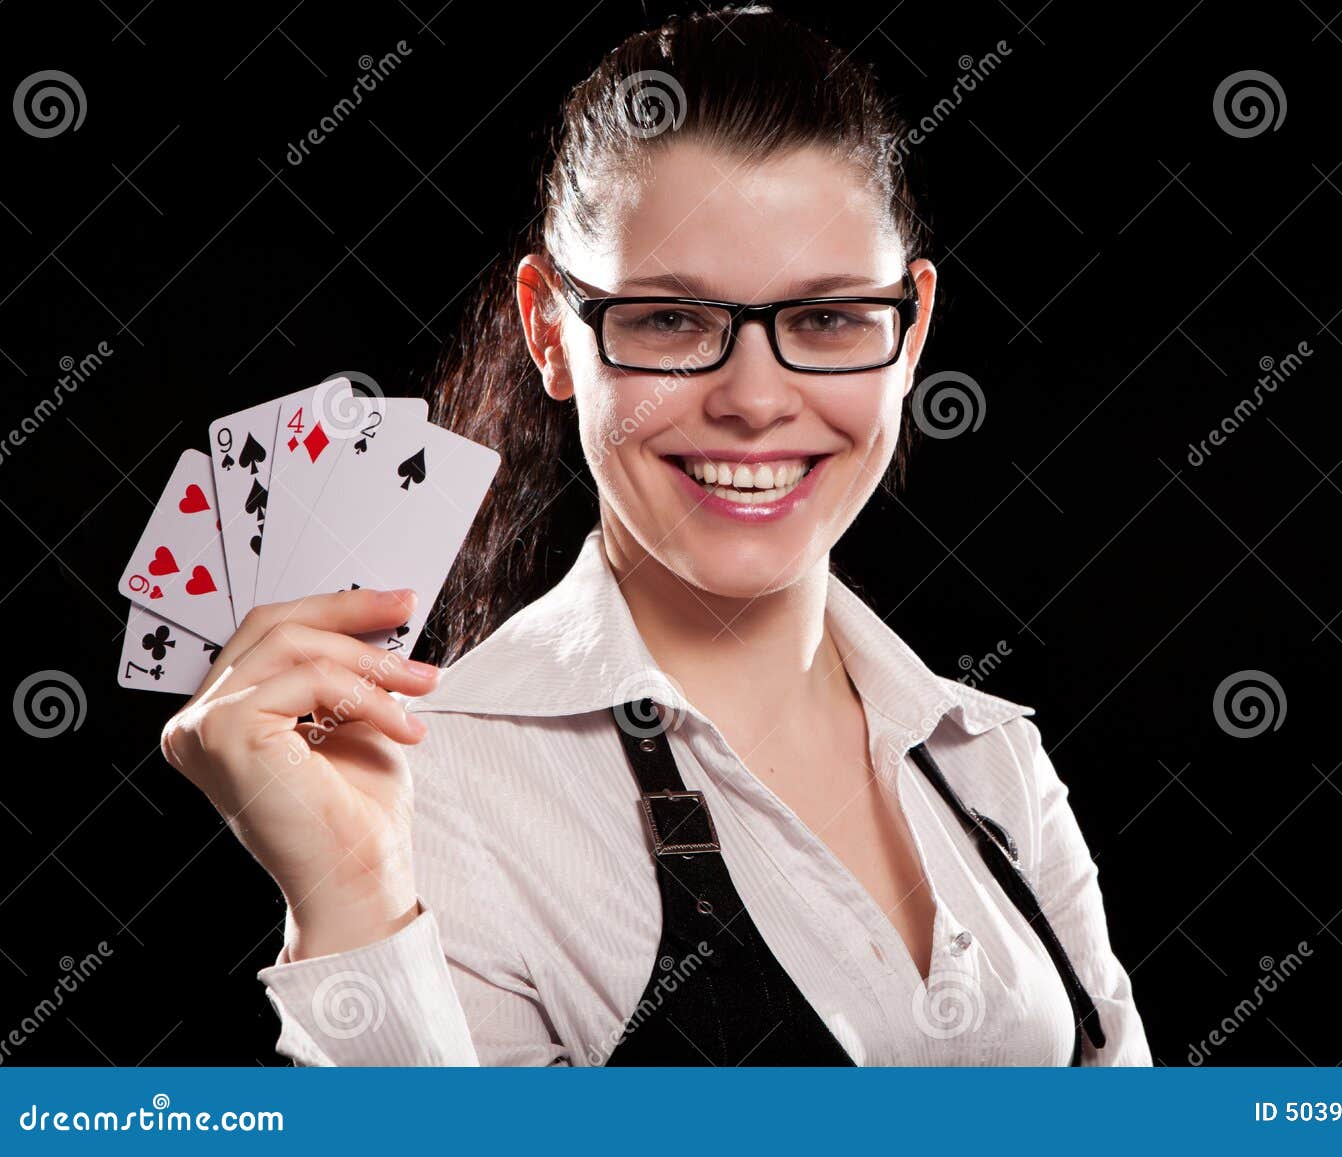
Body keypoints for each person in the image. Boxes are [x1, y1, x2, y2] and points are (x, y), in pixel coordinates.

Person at [158, 3, 1152, 1066]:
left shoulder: (992, 753)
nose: (755, 401)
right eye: (671, 321)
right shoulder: (433, 792)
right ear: (549, 329)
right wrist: (352, 903)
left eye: (825, 319)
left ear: (910, 331)